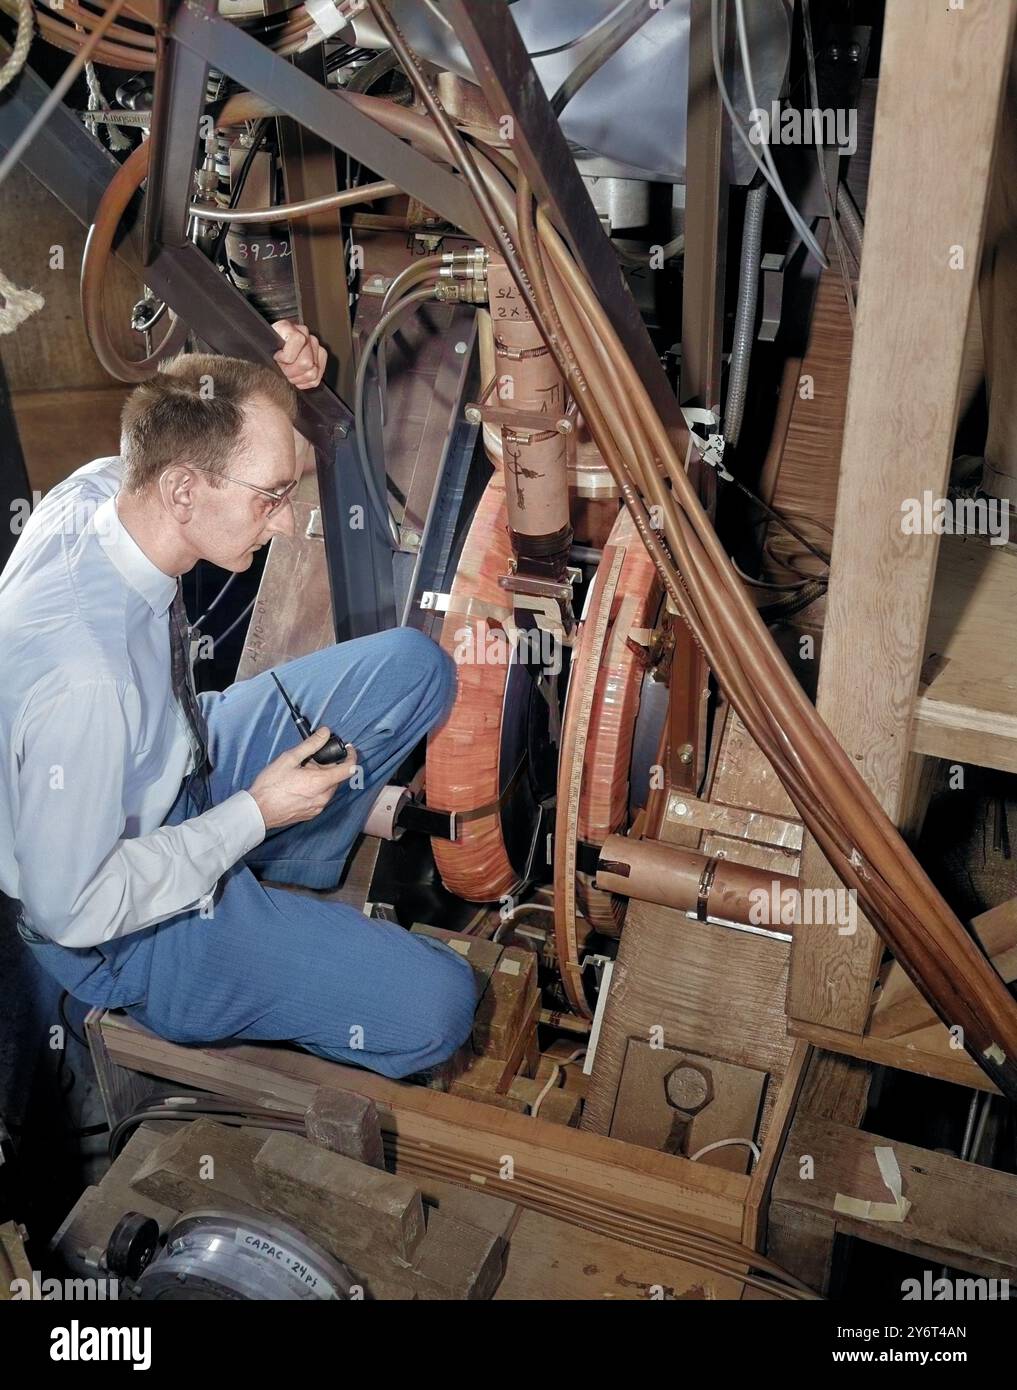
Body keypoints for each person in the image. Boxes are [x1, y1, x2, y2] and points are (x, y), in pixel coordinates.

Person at [0, 321, 477, 1080]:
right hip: (123, 924)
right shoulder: (86, 682)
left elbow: (181, 411)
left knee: (416, 669)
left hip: (177, 756)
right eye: (273, 497)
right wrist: (255, 810)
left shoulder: (99, 488)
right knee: (442, 1006)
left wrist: (271, 366)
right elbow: (73, 907)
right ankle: (250, 897)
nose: (287, 521)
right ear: (184, 490)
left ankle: (280, 864)